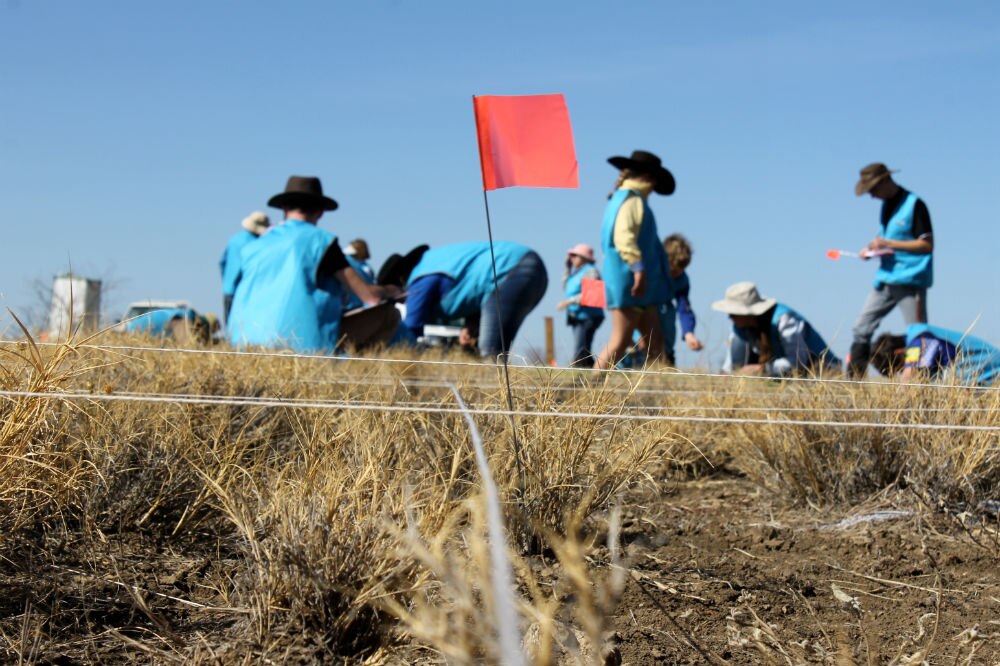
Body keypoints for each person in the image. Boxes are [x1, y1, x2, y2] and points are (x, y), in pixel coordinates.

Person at [227, 176, 400, 354]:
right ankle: (349, 373)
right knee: (389, 315)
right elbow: (369, 297)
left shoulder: (254, 246)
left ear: (284, 208)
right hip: (299, 347)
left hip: (242, 346)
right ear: (320, 211)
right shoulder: (322, 242)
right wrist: (392, 290)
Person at [848, 163, 934, 377]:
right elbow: (887, 239)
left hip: (910, 281)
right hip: (886, 278)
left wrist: (889, 244)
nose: (872, 196)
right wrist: (871, 249)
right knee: (861, 328)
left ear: (885, 181)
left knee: (918, 335)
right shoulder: (886, 207)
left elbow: (927, 245)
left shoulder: (915, 205)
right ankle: (854, 385)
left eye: (873, 190)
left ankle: (919, 384)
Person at [594, 150, 675, 370]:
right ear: (649, 179)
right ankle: (589, 390)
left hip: (639, 284)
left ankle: (660, 391)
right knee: (620, 339)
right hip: (630, 280)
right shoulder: (632, 200)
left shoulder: (621, 198)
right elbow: (623, 236)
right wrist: (638, 268)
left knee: (654, 341)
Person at [402, 241, 548, 360]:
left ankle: (495, 394)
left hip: (509, 270)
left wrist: (402, 357)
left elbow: (411, 328)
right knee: (496, 352)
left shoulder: (418, 279)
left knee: (490, 352)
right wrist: (470, 324)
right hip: (535, 272)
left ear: (400, 280)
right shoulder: (436, 262)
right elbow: (473, 289)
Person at [712, 281, 841, 376]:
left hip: (821, 371)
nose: (729, 317)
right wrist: (727, 374)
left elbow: (797, 361)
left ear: (748, 314)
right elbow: (730, 361)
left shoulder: (783, 320)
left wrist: (763, 369)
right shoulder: (740, 329)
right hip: (780, 372)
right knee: (737, 340)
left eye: (734, 313)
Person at [871, 325, 1000, 386]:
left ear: (899, 352)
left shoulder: (919, 340)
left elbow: (908, 377)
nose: (902, 371)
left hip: (992, 370)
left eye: (900, 367)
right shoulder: (918, 332)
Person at [556, 243, 604, 367]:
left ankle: (580, 372)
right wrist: (567, 268)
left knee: (580, 349)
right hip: (578, 316)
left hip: (588, 316)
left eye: (574, 255)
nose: (571, 258)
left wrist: (569, 301)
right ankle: (594, 371)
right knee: (584, 348)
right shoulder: (576, 273)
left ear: (583, 258)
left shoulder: (591, 271)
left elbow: (591, 293)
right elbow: (565, 286)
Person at [659, 233, 703, 366]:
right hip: (642, 326)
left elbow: (684, 308)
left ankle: (668, 359)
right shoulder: (652, 273)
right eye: (673, 269)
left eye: (681, 270)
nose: (677, 274)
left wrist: (689, 333)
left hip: (666, 326)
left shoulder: (682, 281)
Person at [220, 211, 270, 323]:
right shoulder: (257, 244)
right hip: (246, 291)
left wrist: (227, 281)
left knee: (230, 326)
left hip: (228, 290)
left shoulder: (234, 239)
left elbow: (222, 263)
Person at [124, 307, 220, 345]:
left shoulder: (183, 314)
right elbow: (187, 344)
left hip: (134, 331)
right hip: (136, 332)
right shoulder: (183, 319)